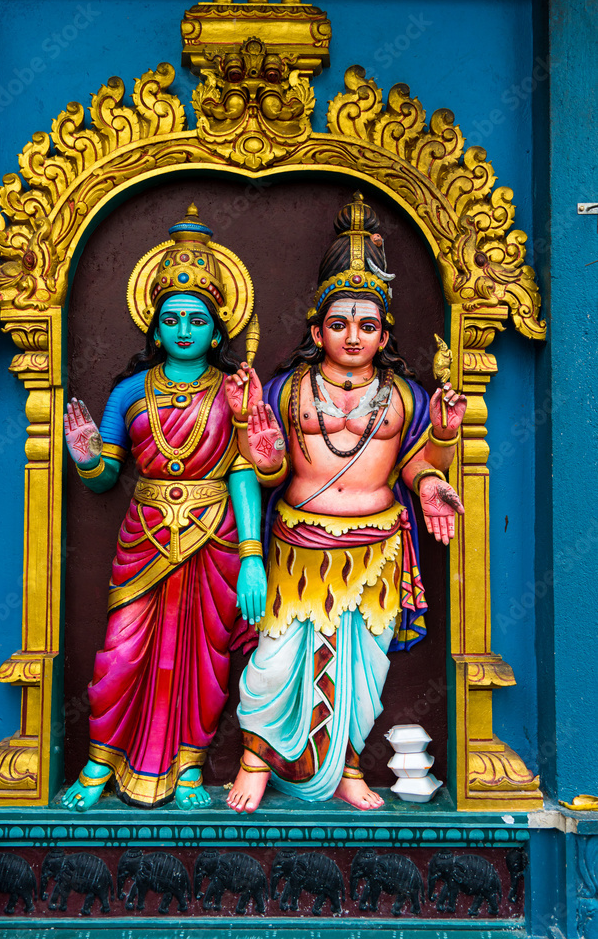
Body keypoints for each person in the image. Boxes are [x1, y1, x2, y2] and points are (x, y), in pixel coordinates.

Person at [226, 193, 466, 814]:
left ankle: (348, 768)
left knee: (362, 673)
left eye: (366, 324)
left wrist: (437, 462)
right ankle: (255, 759)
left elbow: (415, 463)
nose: (352, 336)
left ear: (385, 332)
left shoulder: (406, 396)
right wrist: (262, 447)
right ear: (316, 329)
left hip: (375, 552)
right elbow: (264, 468)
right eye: (338, 323)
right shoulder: (288, 388)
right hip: (297, 548)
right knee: (276, 663)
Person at [61, 205, 266, 811]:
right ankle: (101, 764)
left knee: (203, 659)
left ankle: (190, 769)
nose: (183, 329)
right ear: (153, 329)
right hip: (144, 535)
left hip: (216, 539)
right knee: (122, 650)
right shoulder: (131, 391)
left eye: (196, 319)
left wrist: (252, 557)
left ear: (217, 330)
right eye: (171, 318)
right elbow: (104, 479)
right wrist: (86, 458)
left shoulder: (233, 391)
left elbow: (246, 473)